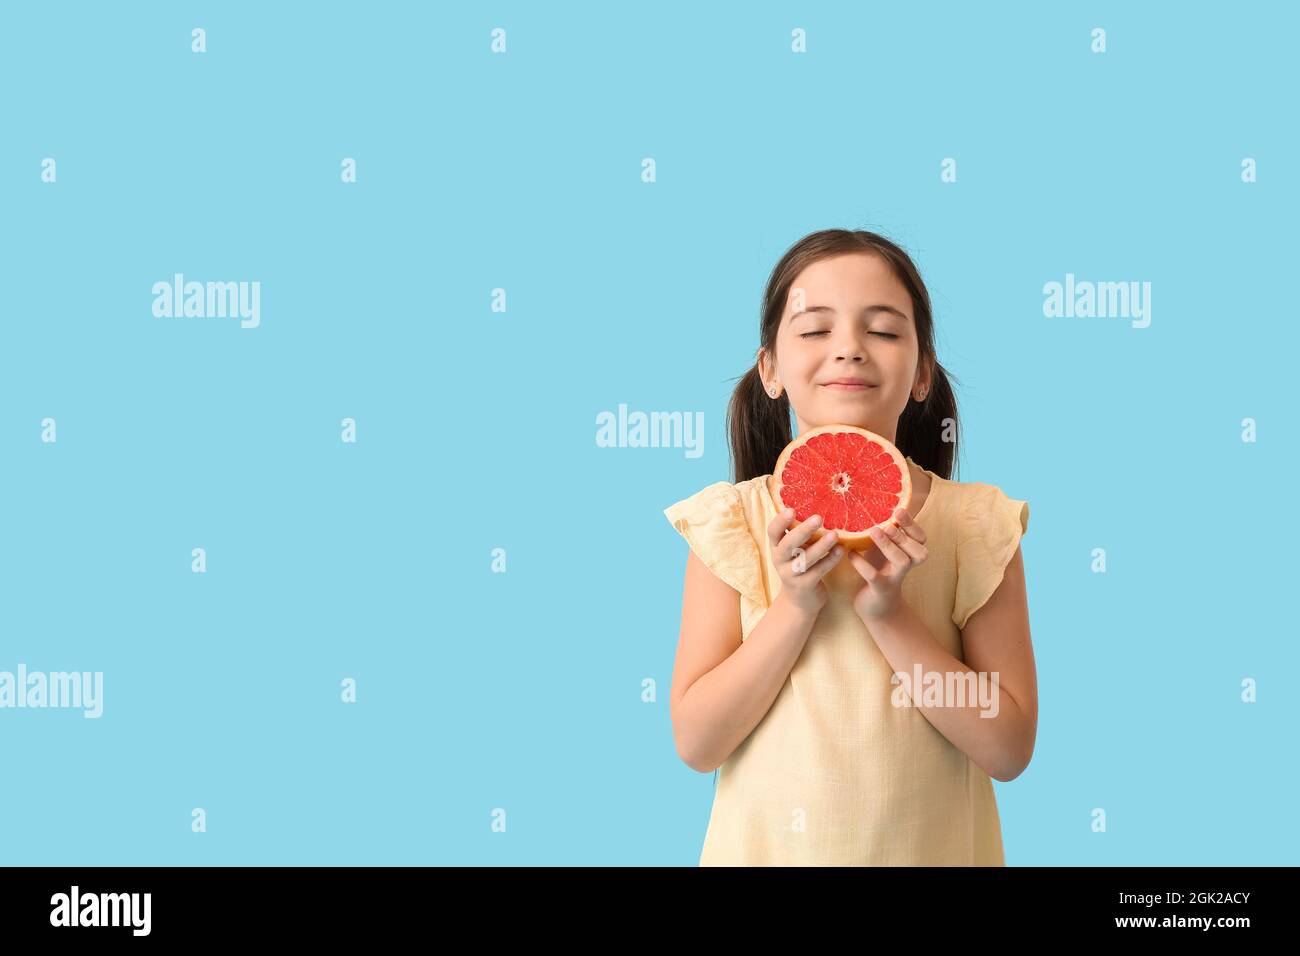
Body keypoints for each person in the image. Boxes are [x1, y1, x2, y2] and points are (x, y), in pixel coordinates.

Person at [664, 228, 1035, 865]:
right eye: (814, 330)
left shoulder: (976, 525)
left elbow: (1007, 749)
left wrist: (890, 615)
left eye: (884, 331)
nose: (849, 350)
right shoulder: (733, 523)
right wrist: (796, 606)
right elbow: (698, 743)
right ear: (771, 370)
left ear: (922, 373)